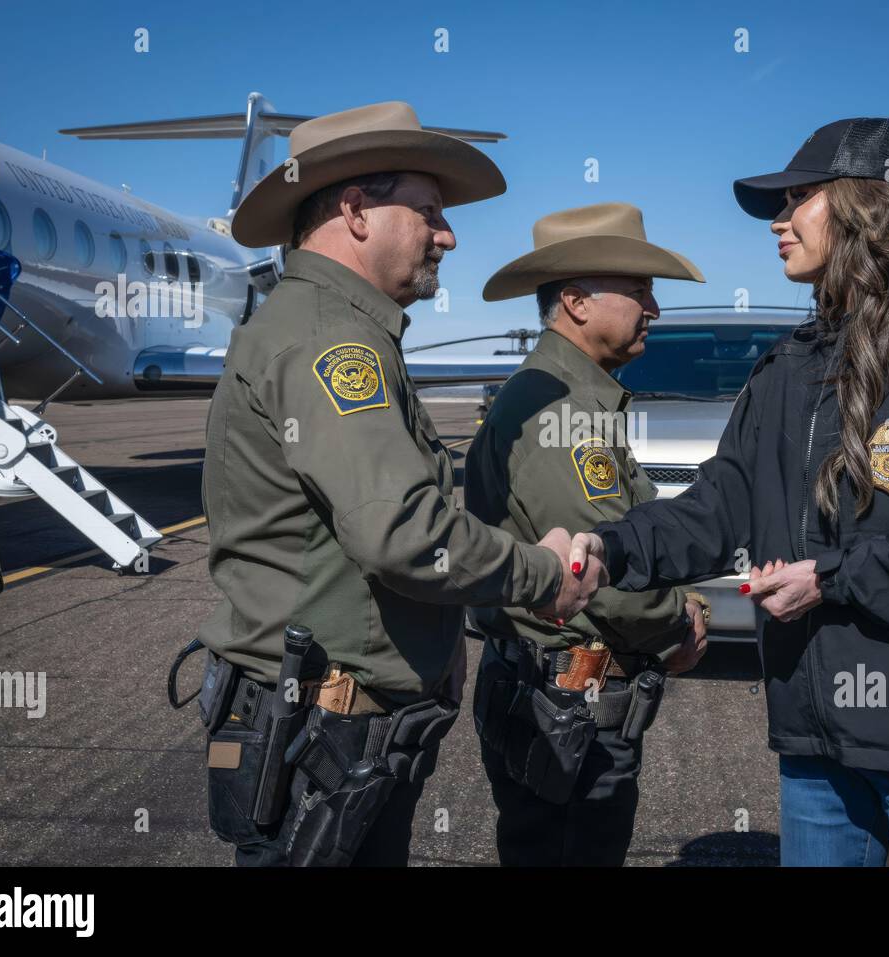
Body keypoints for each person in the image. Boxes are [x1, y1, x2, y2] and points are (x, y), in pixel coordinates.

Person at [568, 117, 889, 866]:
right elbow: (718, 505)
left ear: (869, 207)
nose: (778, 220)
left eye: (799, 197)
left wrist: (834, 577)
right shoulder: (787, 365)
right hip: (817, 737)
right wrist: (606, 548)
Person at [194, 102, 604, 867]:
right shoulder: (331, 342)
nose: (447, 235)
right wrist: (542, 572)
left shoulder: (328, 327)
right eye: (427, 212)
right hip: (322, 737)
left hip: (334, 732)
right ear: (354, 211)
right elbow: (401, 533)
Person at [464, 202, 709, 865]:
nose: (653, 306)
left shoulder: (576, 398)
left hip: (561, 695)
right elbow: (601, 574)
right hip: (568, 698)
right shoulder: (560, 410)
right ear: (574, 300)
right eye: (637, 289)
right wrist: (680, 618)